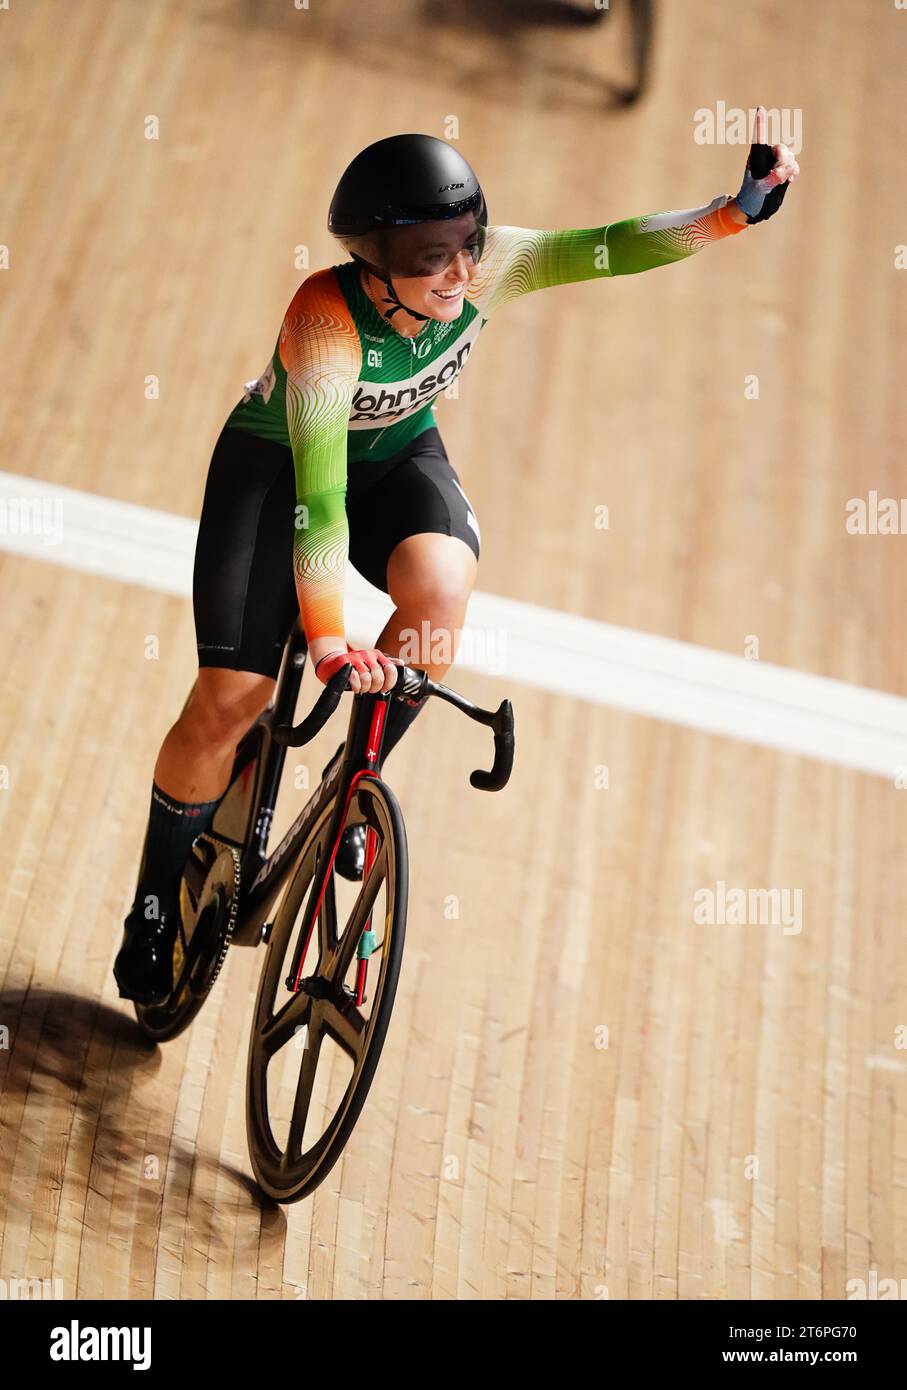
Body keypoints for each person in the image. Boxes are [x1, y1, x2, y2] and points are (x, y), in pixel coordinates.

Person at [114, 111, 799, 1005]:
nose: (457, 272)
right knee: (228, 704)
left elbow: (605, 247)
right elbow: (318, 507)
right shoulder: (324, 321)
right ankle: (154, 907)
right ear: (372, 265)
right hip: (279, 469)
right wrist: (328, 644)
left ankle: (352, 786)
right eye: (429, 259)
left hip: (398, 454)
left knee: (440, 593)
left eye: (467, 245)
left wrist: (730, 213)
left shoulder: (489, 269)